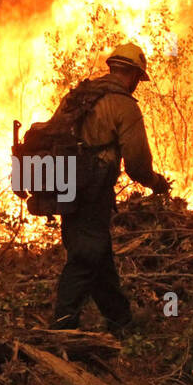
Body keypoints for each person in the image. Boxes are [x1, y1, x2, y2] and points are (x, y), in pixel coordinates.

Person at [51, 42, 170, 334]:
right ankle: (62, 326)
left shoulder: (77, 96)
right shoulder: (123, 105)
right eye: (138, 81)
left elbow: (53, 135)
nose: (137, 86)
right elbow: (137, 164)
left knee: (97, 254)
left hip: (63, 183)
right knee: (85, 256)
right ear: (132, 75)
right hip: (92, 189)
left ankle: (120, 320)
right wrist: (156, 183)